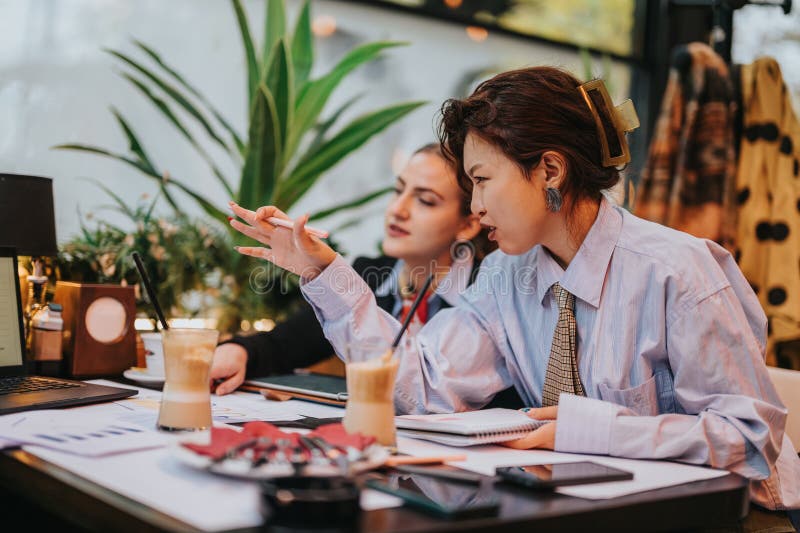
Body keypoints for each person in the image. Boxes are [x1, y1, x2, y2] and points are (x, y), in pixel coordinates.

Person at [228, 67, 799, 525]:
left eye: (481, 179)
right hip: (591, 511)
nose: (474, 207)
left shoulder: (678, 270)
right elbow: (419, 388)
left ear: (549, 169)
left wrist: (595, 427)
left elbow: (749, 439)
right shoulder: (506, 274)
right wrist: (325, 271)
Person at [212, 143, 511, 399]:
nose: (398, 209)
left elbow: (435, 391)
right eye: (398, 190)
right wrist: (240, 351)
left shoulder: (487, 293)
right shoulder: (370, 273)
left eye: (425, 200)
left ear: (469, 224)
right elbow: (287, 344)